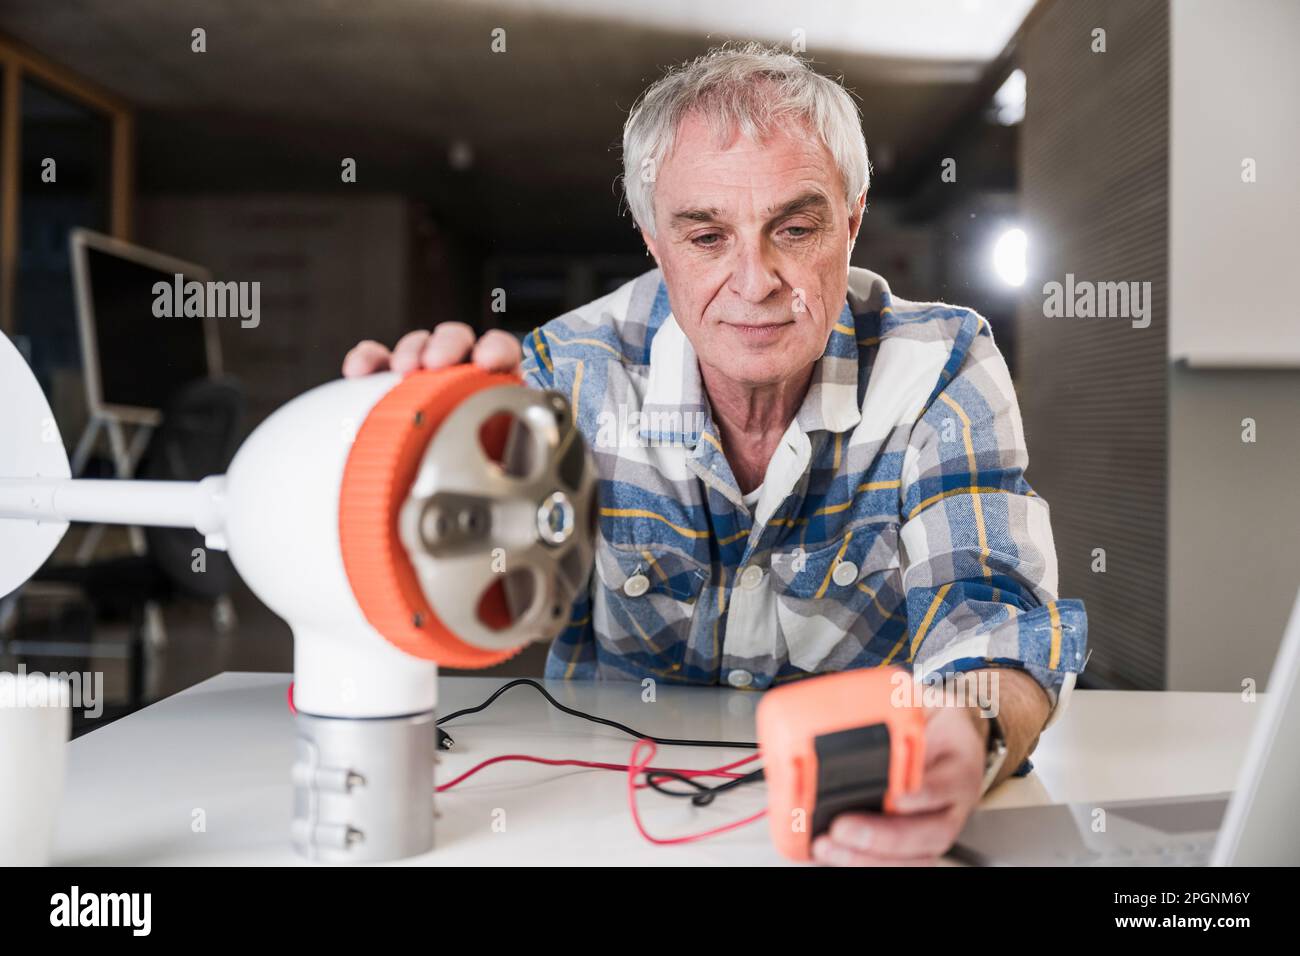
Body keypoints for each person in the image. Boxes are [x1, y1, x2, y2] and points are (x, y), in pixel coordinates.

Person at [344, 43, 1087, 866]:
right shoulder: (568, 373)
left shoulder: (942, 363)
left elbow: (991, 611)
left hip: (857, 818)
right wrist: (389, 448)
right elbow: (438, 593)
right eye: (705, 236)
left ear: (854, 217)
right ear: (654, 239)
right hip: (601, 818)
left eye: (795, 229)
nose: (754, 281)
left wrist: (967, 727)